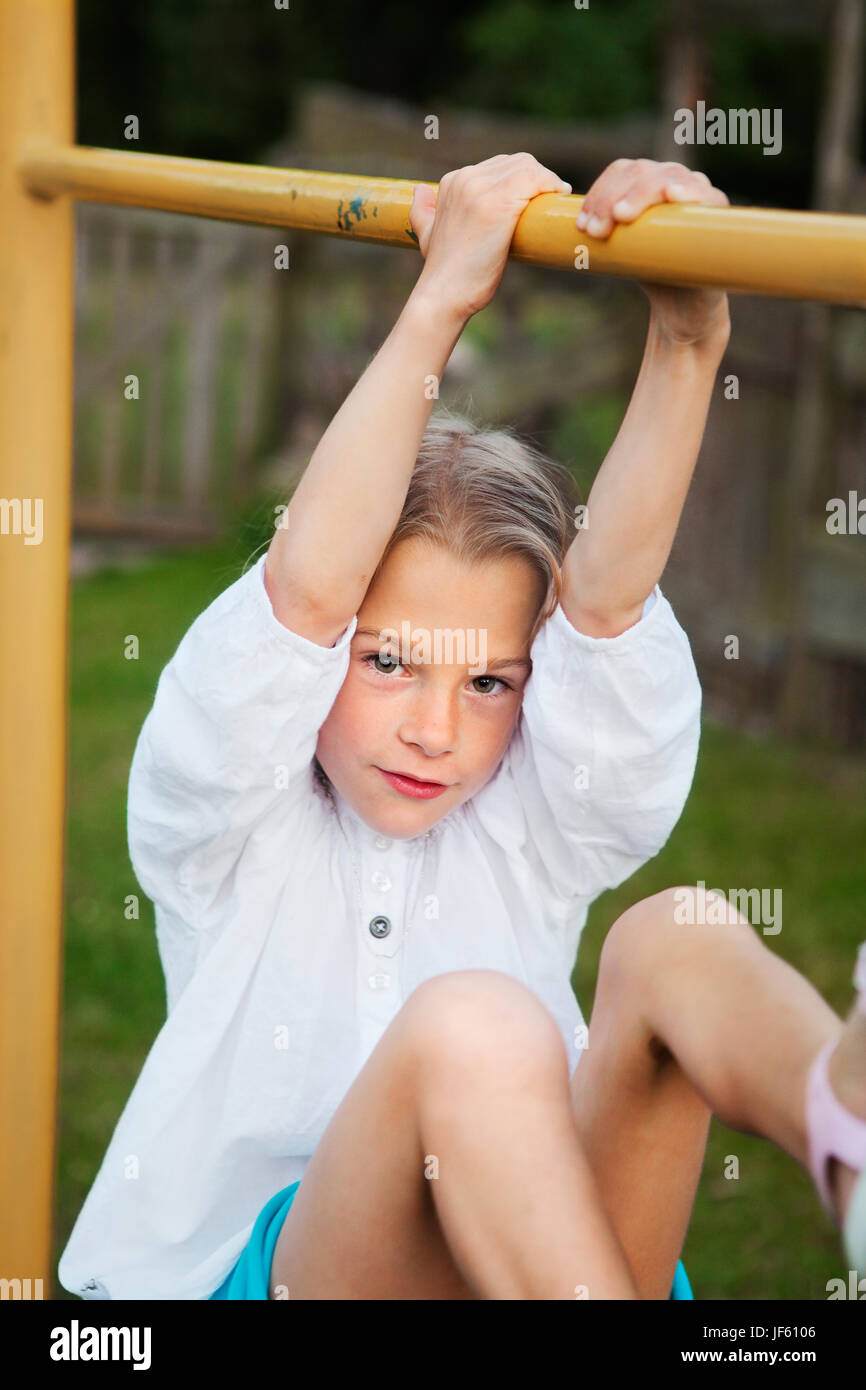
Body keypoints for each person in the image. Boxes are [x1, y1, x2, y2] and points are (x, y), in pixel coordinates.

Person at [58, 154, 866, 1301]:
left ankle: (848, 1143)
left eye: (489, 683)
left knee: (675, 934)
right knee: (475, 1030)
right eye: (389, 663)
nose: (435, 728)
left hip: (538, 1257)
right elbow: (304, 598)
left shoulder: (526, 826)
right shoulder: (225, 825)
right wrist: (440, 300)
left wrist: (686, 343)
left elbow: (602, 611)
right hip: (278, 1276)